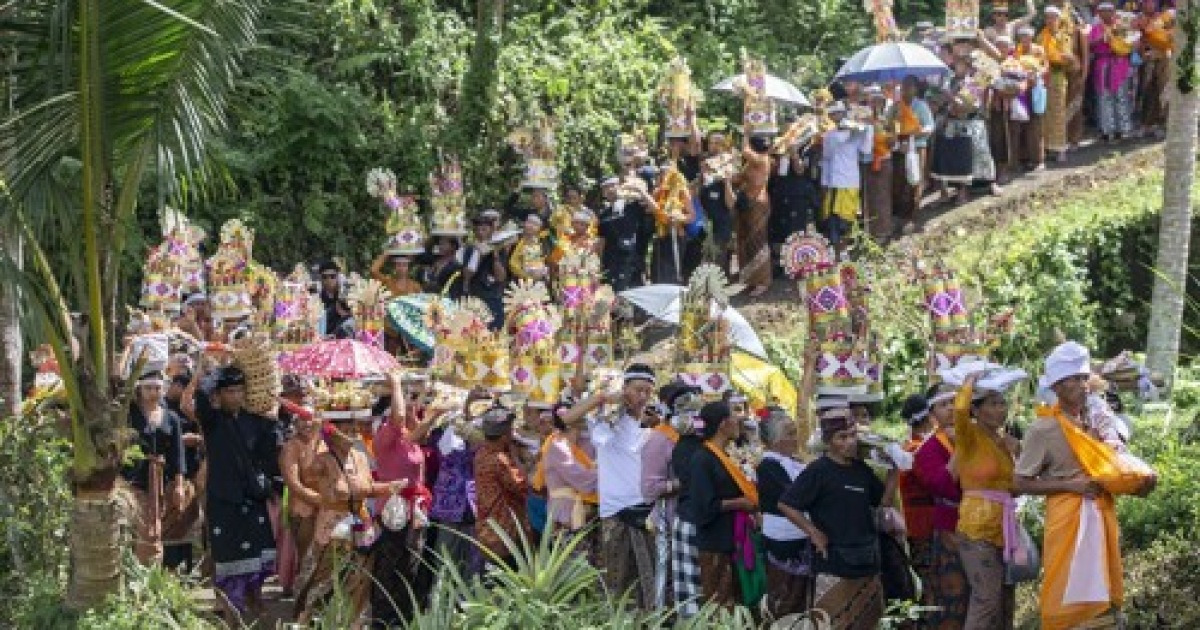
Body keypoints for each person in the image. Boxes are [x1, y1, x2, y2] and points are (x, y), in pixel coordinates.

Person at [1015, 342, 1156, 630]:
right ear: (1056, 386)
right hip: (1067, 520)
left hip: (1101, 514)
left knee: (1103, 594)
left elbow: (1110, 467)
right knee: (1070, 592)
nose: (1082, 385)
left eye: (1083, 378)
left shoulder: (1096, 421)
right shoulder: (1043, 429)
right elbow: (1018, 482)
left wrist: (1135, 480)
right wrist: (1071, 485)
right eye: (1073, 379)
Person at [779, 406, 893, 630]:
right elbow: (786, 504)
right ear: (828, 441)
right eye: (842, 437)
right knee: (831, 623)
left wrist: (894, 471)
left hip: (867, 562)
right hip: (834, 565)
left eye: (852, 435)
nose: (850, 442)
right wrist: (813, 532)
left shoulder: (861, 470)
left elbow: (884, 502)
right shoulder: (818, 471)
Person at [294, 410, 405, 627]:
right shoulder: (323, 460)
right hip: (332, 526)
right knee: (324, 579)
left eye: (354, 427)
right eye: (346, 428)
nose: (353, 432)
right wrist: (315, 432)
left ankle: (354, 624)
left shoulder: (360, 457)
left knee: (360, 578)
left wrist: (389, 487)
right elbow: (306, 473)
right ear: (333, 431)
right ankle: (309, 621)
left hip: (361, 523)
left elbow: (368, 488)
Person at [561, 364, 658, 610]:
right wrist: (603, 398)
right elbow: (567, 419)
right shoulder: (606, 420)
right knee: (617, 582)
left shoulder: (651, 423)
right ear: (624, 389)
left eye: (647, 391)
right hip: (617, 511)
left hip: (646, 510)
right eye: (637, 390)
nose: (642, 396)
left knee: (647, 581)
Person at [190, 365, 279, 623]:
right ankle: (231, 613)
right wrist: (219, 368)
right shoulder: (212, 420)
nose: (236, 396)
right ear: (219, 394)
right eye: (230, 391)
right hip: (224, 499)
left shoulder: (256, 421)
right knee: (228, 560)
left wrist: (272, 422)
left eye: (240, 390)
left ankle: (255, 604)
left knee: (257, 560)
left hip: (252, 499)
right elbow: (202, 395)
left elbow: (268, 454)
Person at [953, 371, 1024, 630]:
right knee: (986, 598)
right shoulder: (969, 436)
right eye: (993, 404)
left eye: (1002, 403)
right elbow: (959, 413)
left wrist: (1018, 453)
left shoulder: (1004, 442)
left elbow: (1017, 487)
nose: (1001, 409)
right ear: (976, 410)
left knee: (1004, 599)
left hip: (1002, 528)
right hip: (976, 528)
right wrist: (968, 384)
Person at [371, 372, 443, 625]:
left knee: (412, 565)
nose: (413, 412)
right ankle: (384, 619)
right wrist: (396, 384)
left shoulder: (409, 441)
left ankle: (405, 618)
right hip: (394, 512)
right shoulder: (385, 437)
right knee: (390, 568)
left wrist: (433, 413)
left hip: (414, 511)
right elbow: (401, 416)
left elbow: (418, 428)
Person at [910, 386, 970, 629]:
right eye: (943, 405)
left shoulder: (979, 437)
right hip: (951, 526)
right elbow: (943, 486)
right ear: (932, 414)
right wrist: (961, 448)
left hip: (987, 523)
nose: (951, 409)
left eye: (954, 402)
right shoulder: (928, 449)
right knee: (953, 596)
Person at [688, 400, 757, 610]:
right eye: (734, 417)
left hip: (733, 538)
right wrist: (740, 503)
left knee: (735, 601)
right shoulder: (702, 459)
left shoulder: (725, 455)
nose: (739, 422)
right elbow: (704, 506)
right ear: (723, 424)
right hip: (715, 542)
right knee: (718, 603)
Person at [123, 371, 187, 566]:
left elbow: (177, 454)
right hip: (132, 479)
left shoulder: (171, 418)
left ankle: (149, 572)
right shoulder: (129, 416)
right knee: (136, 528)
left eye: (157, 388)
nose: (153, 392)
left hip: (158, 481)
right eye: (148, 388)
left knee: (154, 529)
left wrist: (179, 486)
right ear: (140, 390)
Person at [756, 406, 813, 619]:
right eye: (790, 434)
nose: (795, 438)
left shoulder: (792, 462)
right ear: (775, 441)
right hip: (784, 538)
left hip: (800, 534)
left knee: (800, 594)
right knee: (786, 593)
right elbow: (793, 497)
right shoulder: (768, 466)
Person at [531, 402, 599, 561]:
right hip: (566, 514)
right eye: (577, 426)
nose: (580, 431)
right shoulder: (557, 446)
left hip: (584, 513)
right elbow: (583, 480)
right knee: (573, 565)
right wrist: (609, 473)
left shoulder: (578, 443)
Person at [473, 405, 532, 571]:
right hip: (505, 531)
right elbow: (522, 486)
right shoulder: (500, 460)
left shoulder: (481, 453)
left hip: (487, 528)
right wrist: (516, 457)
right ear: (505, 436)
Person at [277, 398, 322, 597]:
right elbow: (294, 484)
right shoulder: (291, 447)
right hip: (304, 508)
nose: (307, 424)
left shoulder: (322, 442)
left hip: (325, 507)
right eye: (302, 419)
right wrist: (318, 499)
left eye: (310, 419)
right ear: (295, 423)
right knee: (307, 556)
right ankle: (304, 599)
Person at [819, 102, 873, 249]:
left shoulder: (857, 132)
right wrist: (824, 182)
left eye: (839, 113)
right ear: (830, 117)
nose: (837, 116)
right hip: (835, 184)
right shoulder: (829, 135)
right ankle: (837, 253)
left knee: (847, 221)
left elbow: (866, 150)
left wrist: (868, 128)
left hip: (850, 182)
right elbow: (826, 159)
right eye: (833, 114)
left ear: (844, 114)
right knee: (834, 224)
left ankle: (844, 253)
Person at [888, 76, 936, 232]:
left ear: (915, 89)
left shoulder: (921, 106)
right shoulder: (896, 106)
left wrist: (916, 133)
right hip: (899, 148)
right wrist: (895, 130)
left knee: (914, 181)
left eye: (909, 87)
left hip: (917, 147)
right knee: (898, 182)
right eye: (903, 87)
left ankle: (912, 217)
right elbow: (889, 125)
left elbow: (930, 126)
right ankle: (897, 216)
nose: (905, 90)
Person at [1040, 5, 1086, 162]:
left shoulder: (1064, 37)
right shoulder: (1041, 36)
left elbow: (1069, 58)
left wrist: (1063, 59)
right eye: (1047, 17)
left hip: (1059, 78)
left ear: (1059, 20)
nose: (1050, 20)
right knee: (1046, 114)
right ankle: (1047, 147)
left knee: (1059, 114)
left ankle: (1060, 148)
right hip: (1044, 79)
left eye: (1053, 17)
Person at [1090, 2, 1136, 141]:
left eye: (1109, 11)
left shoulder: (1121, 26)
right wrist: (1102, 38)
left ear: (1114, 12)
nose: (1106, 14)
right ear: (1099, 13)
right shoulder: (1096, 28)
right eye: (1103, 11)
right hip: (1102, 64)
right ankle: (1106, 130)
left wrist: (1122, 42)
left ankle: (1123, 129)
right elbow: (1090, 45)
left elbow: (1131, 42)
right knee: (1104, 96)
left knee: (1121, 95)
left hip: (1120, 64)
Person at [736, 134, 773, 297]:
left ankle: (763, 282)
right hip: (745, 203)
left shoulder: (762, 159)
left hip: (758, 203)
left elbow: (744, 151)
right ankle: (749, 279)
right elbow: (739, 178)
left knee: (757, 242)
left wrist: (746, 132)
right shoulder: (750, 163)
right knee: (745, 242)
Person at [457, 212, 508, 328]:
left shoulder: (500, 248)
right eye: (477, 230)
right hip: (474, 298)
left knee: (495, 332)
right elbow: (467, 275)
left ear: (491, 230)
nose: (480, 233)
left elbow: (501, 277)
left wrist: (495, 256)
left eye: (484, 229)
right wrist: (478, 255)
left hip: (493, 297)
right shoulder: (469, 249)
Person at [596, 177, 643, 292]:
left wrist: (639, 190)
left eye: (613, 186)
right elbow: (601, 240)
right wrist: (600, 263)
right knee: (611, 293)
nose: (610, 190)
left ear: (619, 186)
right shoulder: (603, 214)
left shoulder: (632, 206)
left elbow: (654, 208)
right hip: (610, 261)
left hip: (629, 258)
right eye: (606, 188)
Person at [1136, 0, 1173, 137]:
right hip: (1148, 61)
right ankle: (1147, 124)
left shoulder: (1165, 18)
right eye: (1145, 3)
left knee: (1164, 91)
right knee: (1147, 92)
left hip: (1164, 59)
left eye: (1151, 2)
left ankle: (1163, 125)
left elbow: (1171, 37)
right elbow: (1137, 40)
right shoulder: (1138, 20)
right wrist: (1142, 53)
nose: (1148, 5)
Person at [506, 213, 553, 285]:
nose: (531, 226)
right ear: (525, 223)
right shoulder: (514, 240)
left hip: (538, 282)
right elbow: (510, 262)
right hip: (517, 281)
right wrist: (526, 276)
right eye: (529, 222)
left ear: (539, 228)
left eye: (535, 224)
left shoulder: (542, 243)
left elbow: (545, 261)